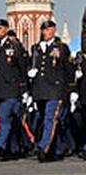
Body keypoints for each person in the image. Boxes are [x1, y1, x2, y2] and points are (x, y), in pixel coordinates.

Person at [28, 20, 76, 162]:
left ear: (54, 30)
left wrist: (71, 89)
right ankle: (58, 148)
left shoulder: (61, 48)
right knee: (47, 120)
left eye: (48, 30)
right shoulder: (36, 48)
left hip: (55, 89)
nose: (45, 33)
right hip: (40, 90)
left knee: (50, 119)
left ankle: (44, 148)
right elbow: (32, 65)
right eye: (43, 30)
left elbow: (68, 70)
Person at [0, 18, 28, 161]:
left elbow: (22, 68)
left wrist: (24, 89)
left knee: (5, 120)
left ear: (6, 29)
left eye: (1, 28)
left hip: (10, 90)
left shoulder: (14, 46)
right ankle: (13, 149)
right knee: (10, 121)